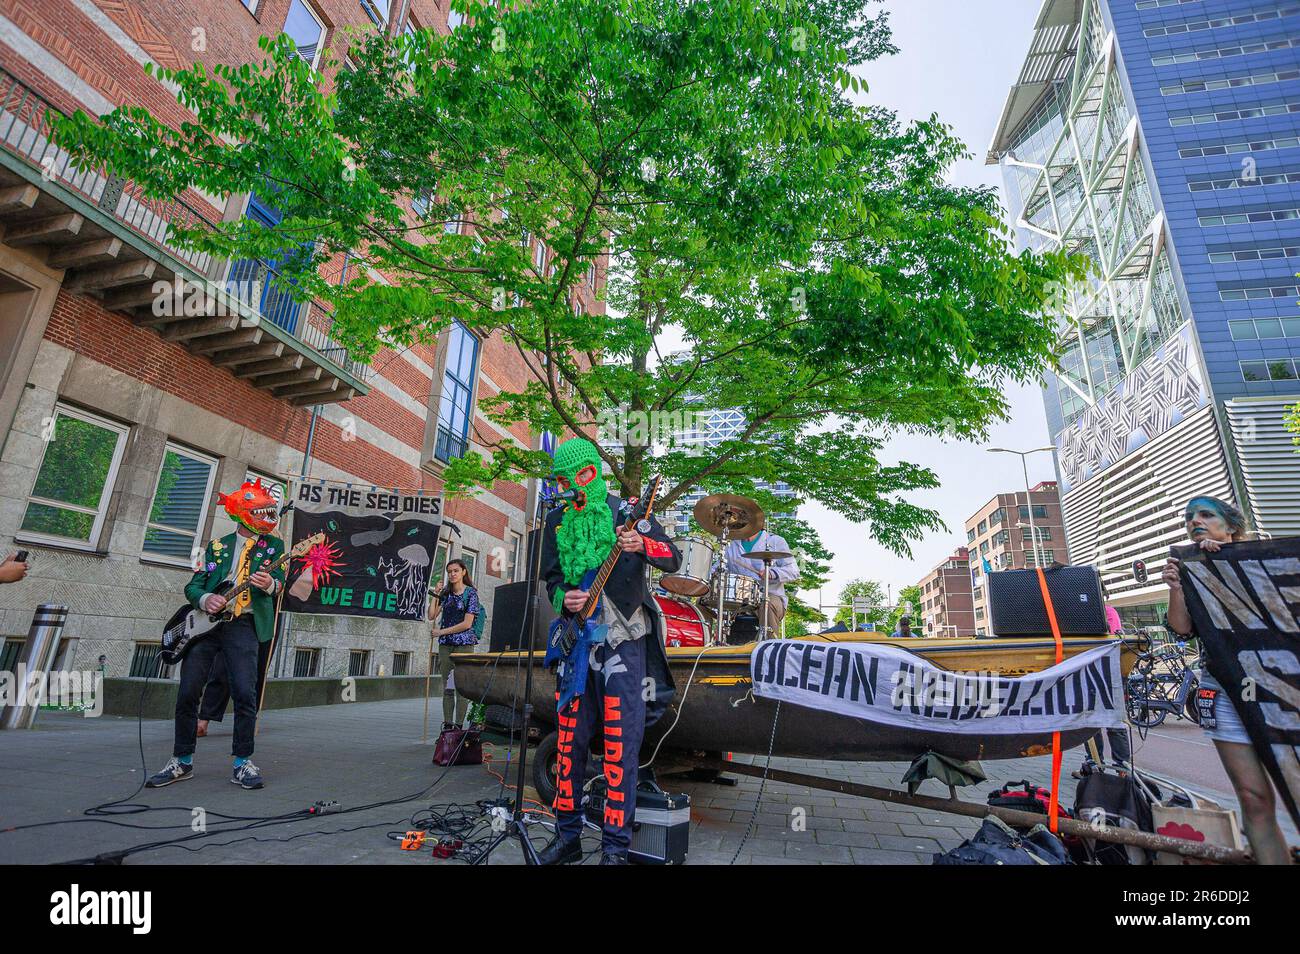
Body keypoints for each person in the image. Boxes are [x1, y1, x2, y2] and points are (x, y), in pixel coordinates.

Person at [536, 437, 681, 865]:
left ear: (593, 472)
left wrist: (643, 545)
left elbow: (671, 558)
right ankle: (567, 839)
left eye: (576, 478)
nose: (570, 488)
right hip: (577, 647)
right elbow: (550, 579)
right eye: (562, 482)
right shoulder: (557, 521)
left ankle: (616, 850)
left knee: (620, 749)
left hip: (624, 645)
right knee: (568, 747)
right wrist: (565, 598)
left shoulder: (627, 513)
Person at [1164, 495, 1290, 865]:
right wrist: (1178, 586)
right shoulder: (1188, 568)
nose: (1195, 522)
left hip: (1281, 688)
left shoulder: (1258, 557)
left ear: (1231, 526)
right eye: (1189, 518)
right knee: (1252, 797)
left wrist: (1230, 564)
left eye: (1205, 515)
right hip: (1223, 691)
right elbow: (1182, 629)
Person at [146, 479, 286, 791]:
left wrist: (269, 585)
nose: (267, 514)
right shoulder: (217, 546)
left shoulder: (273, 547)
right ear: (242, 513)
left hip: (244, 625)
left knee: (245, 692)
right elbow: (193, 585)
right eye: (259, 509)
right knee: (188, 691)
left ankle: (242, 762)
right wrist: (203, 599)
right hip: (206, 628)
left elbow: (279, 583)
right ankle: (181, 760)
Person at [1076, 603, 1132, 776]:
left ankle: (1122, 767)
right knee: (1090, 719)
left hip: (1108, 672)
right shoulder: (1079, 613)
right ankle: (1094, 762)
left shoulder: (1107, 611)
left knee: (1113, 720)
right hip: (1088, 670)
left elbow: (1113, 639)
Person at [718, 524, 799, 637]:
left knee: (767, 604)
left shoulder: (775, 541)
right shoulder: (730, 546)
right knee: (703, 601)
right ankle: (705, 645)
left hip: (770, 595)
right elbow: (716, 569)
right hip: (738, 599)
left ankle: (769, 648)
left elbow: (793, 571)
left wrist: (772, 573)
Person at [431, 558, 480, 727]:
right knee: (448, 687)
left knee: (461, 687)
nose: (452, 574)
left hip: (464, 646)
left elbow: (467, 623)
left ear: (463, 572)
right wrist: (436, 594)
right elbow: (432, 615)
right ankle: (448, 725)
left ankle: (459, 726)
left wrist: (440, 632)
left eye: (455, 571)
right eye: (449, 571)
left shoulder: (471, 593)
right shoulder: (446, 593)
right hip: (446, 647)